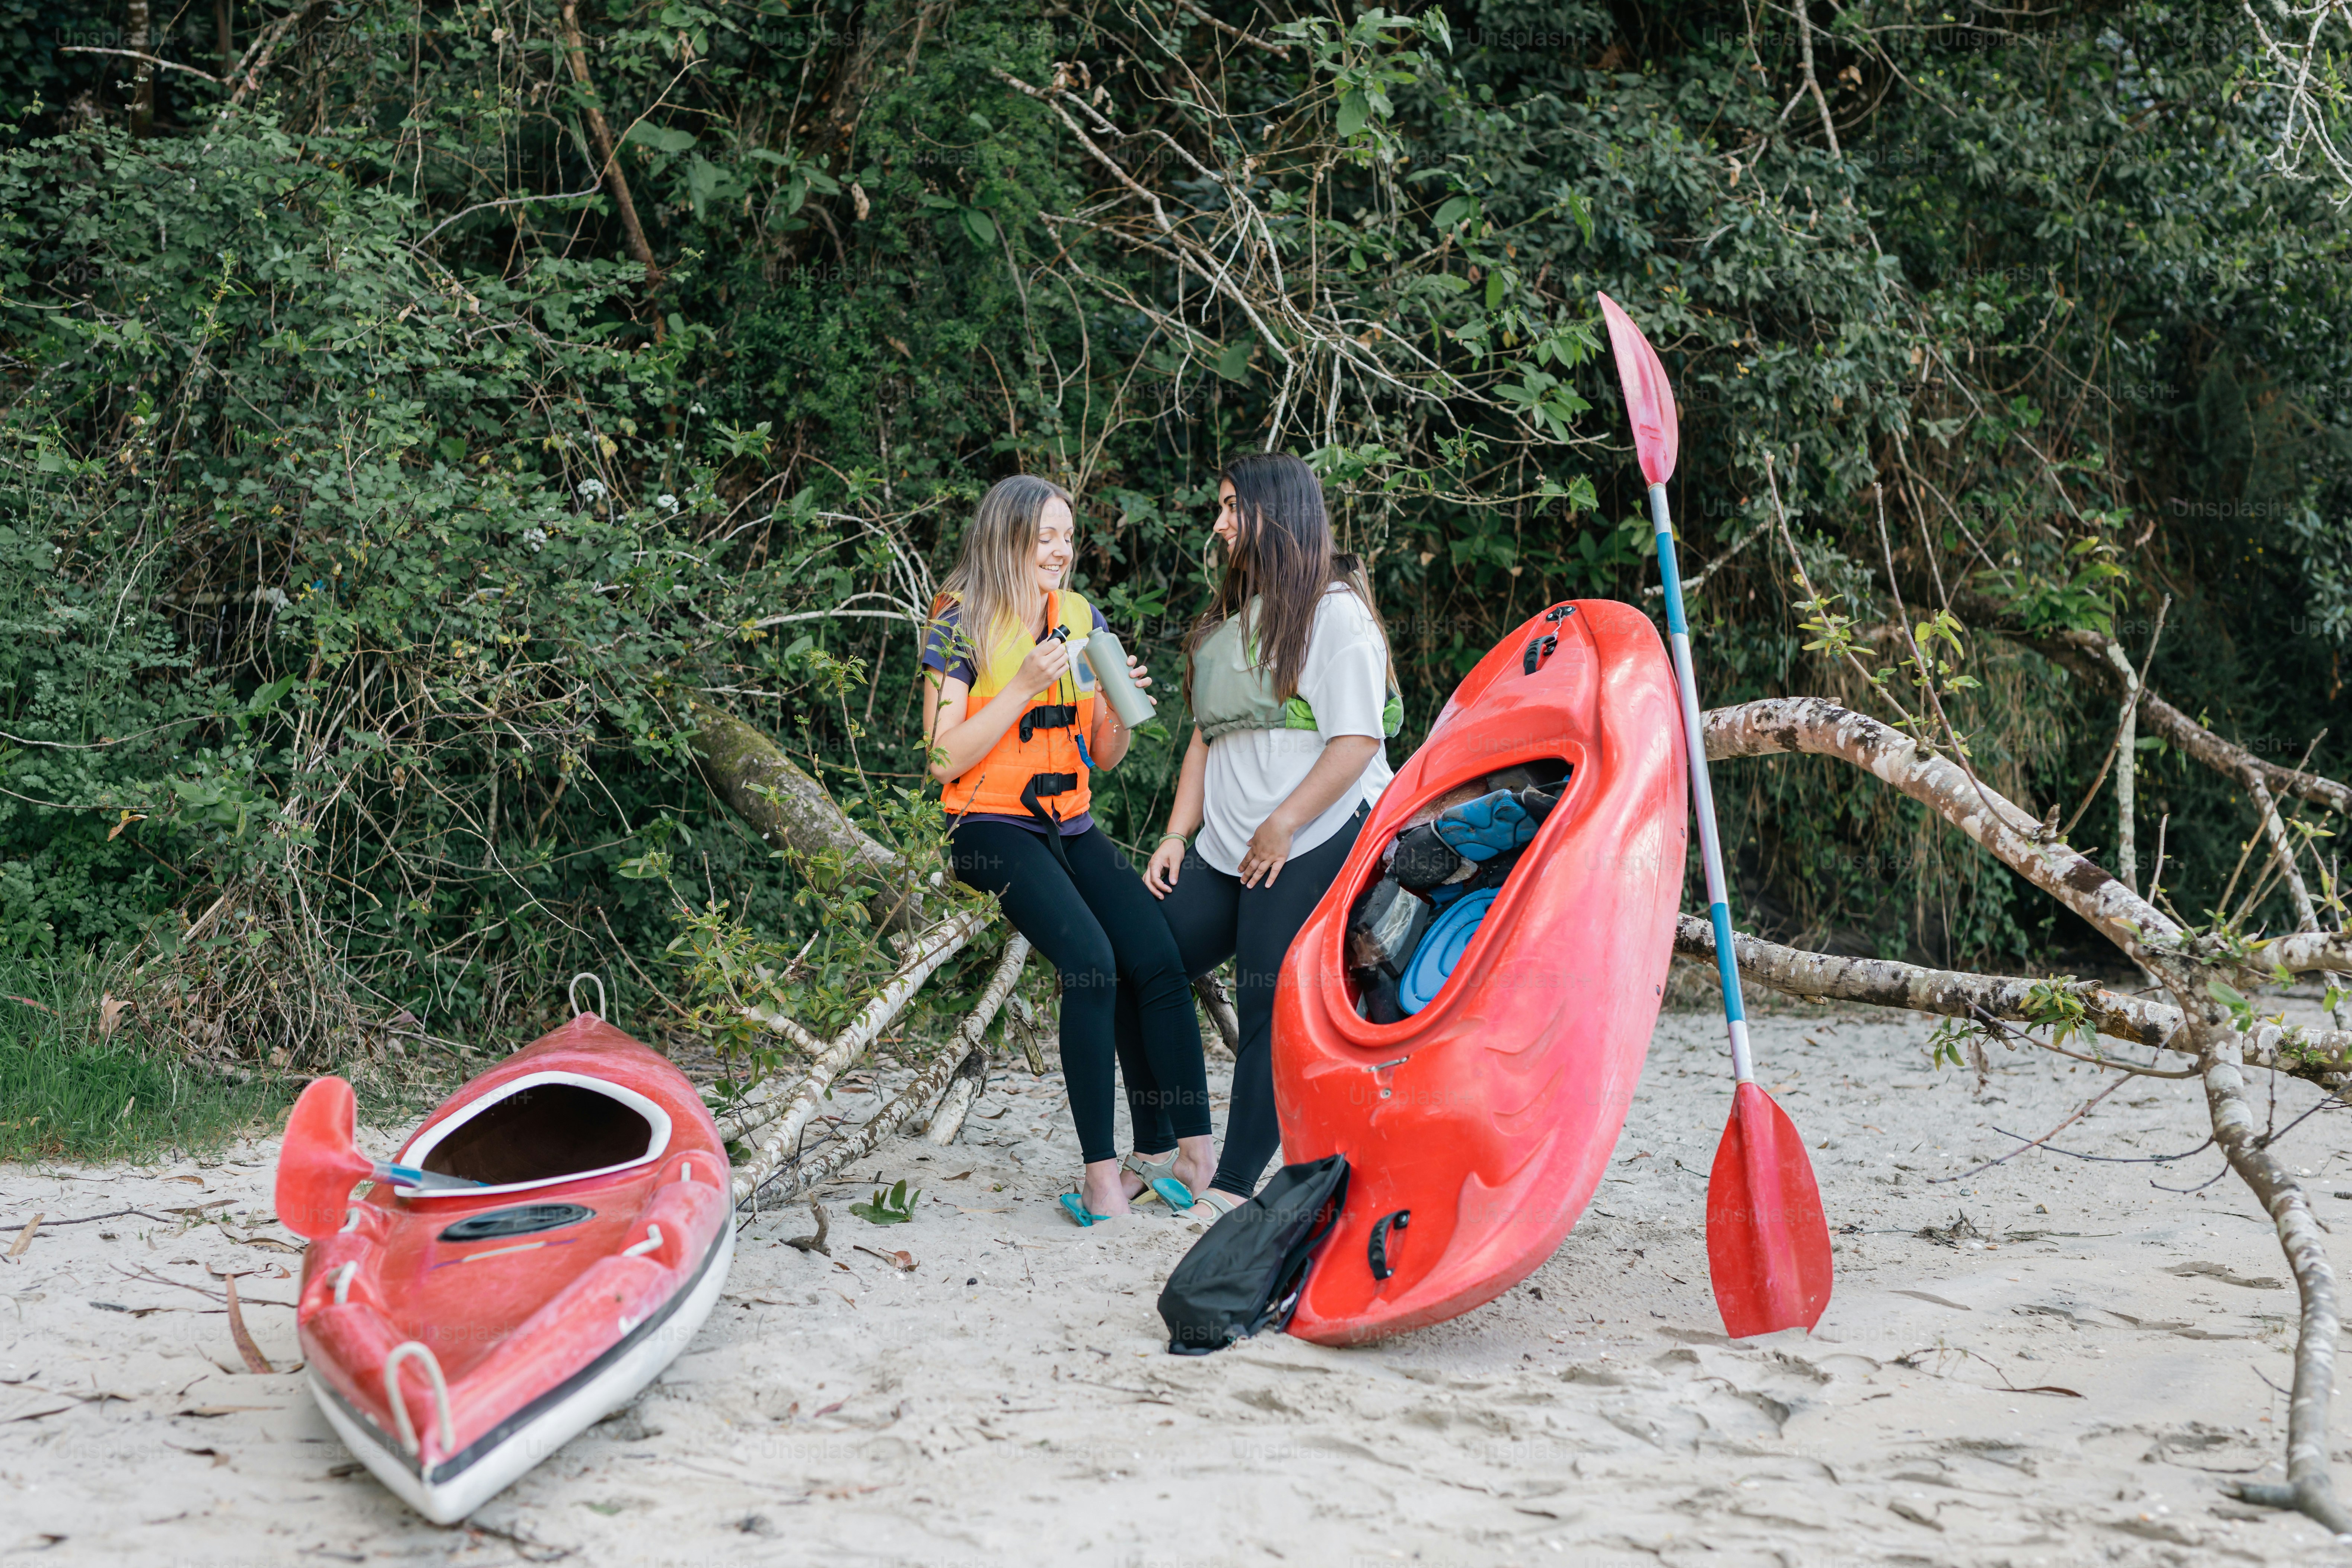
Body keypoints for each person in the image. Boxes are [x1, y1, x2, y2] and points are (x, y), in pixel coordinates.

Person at [920, 474, 1215, 1225]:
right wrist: (1020, 685)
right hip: (987, 827)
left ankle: (1184, 1150)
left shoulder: (1082, 617)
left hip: (1070, 823)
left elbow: (1106, 755)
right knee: (1091, 960)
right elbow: (940, 759)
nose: (1062, 550)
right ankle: (1099, 1175)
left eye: (1068, 536)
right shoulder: (958, 621)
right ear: (1007, 537)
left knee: (1155, 954)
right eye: (1047, 536)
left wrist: (1115, 710)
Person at [1137, 453, 1398, 1222]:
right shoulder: (1238, 615)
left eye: (1229, 508)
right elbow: (1204, 740)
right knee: (1135, 961)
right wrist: (1178, 835)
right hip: (1224, 846)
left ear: (1274, 512)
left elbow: (1358, 742)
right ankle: (1175, 1146)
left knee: (1266, 1001)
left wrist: (1284, 824)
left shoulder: (1338, 614)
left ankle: (1233, 1184)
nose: (1217, 524)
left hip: (1309, 835)